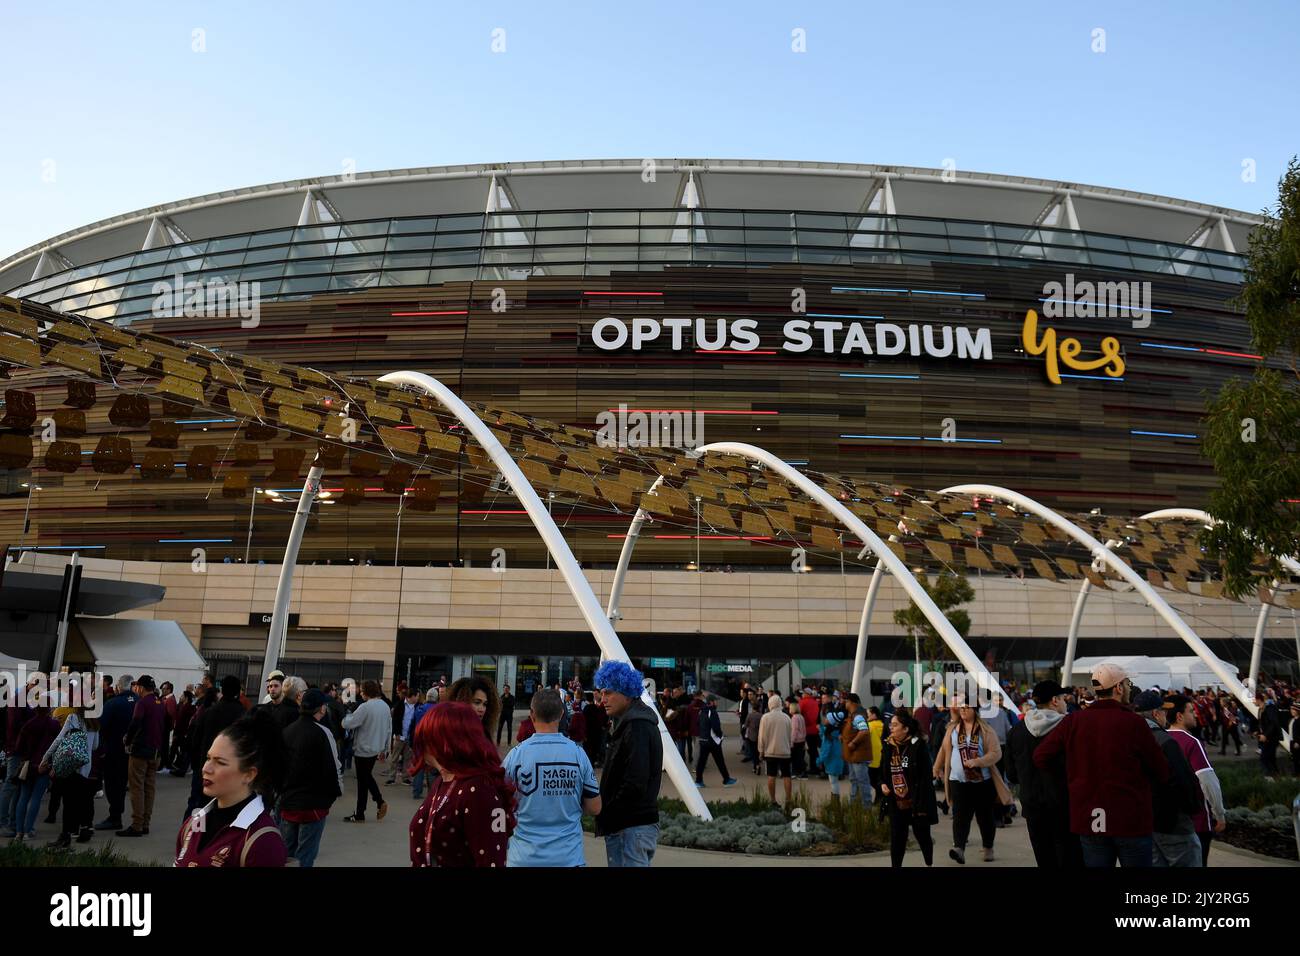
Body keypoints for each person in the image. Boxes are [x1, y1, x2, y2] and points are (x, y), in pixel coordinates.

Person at [1034, 663, 1169, 868]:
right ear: (1118, 688)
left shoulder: (1074, 721)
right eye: (1127, 683)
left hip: (1090, 817)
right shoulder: (1133, 723)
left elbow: (1041, 756)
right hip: (1129, 818)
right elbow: (1161, 769)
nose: (1129, 687)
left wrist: (1075, 775)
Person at [408, 702, 516, 867]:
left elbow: (491, 860)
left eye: (427, 736)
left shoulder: (479, 790)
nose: (422, 743)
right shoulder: (443, 781)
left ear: (445, 741)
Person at [175, 710, 289, 867]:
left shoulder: (262, 840)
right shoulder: (193, 823)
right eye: (208, 758)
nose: (206, 768)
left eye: (220, 762)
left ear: (249, 774)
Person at [502, 689, 600, 866]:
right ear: (562, 714)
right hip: (568, 858)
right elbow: (595, 807)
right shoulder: (578, 754)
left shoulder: (515, 756)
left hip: (524, 858)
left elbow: (499, 803)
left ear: (532, 715)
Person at [593, 660, 662, 867]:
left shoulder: (636, 726)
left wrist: (607, 811)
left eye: (608, 693)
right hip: (629, 825)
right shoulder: (630, 723)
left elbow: (635, 782)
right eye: (601, 693)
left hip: (630, 826)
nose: (602, 699)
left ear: (626, 691)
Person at [1006, 680, 1080, 867]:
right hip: (1065, 805)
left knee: (1044, 858)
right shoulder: (1070, 727)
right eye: (1063, 698)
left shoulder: (1017, 730)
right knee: (1070, 857)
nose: (1065, 702)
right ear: (1055, 700)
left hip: (1032, 806)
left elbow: (1012, 774)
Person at [1132, 690, 1203, 867]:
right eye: (1163, 712)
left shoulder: (1126, 740)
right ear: (1156, 714)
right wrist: (1193, 807)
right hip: (1173, 824)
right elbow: (1182, 781)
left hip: (1144, 822)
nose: (1166, 716)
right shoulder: (1165, 741)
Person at [932, 700, 1009, 863]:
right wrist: (937, 766)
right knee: (960, 815)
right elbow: (944, 749)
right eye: (961, 708)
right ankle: (959, 848)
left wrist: (978, 762)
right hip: (958, 781)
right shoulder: (952, 728)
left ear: (975, 709)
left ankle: (988, 847)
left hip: (982, 782)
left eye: (967, 708)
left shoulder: (986, 730)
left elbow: (996, 753)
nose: (963, 711)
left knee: (985, 816)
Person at [279, 688, 343, 867]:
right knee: (305, 856)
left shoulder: (287, 731)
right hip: (313, 805)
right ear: (321, 709)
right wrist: (334, 794)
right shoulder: (323, 733)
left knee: (287, 853)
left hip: (289, 802)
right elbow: (333, 767)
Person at [1165, 694, 1226, 866]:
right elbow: (1207, 781)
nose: (1195, 715)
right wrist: (1219, 813)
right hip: (1196, 821)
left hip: (1167, 821)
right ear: (1179, 716)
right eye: (1191, 711)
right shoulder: (1191, 742)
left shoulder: (1160, 739)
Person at [879, 710, 936, 867]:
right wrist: (883, 783)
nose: (891, 727)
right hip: (896, 800)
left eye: (895, 725)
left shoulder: (918, 746)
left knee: (922, 835)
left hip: (916, 800)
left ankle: (929, 863)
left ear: (906, 729)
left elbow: (925, 777)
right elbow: (883, 770)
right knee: (898, 837)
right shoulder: (888, 745)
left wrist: (922, 803)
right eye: (891, 724)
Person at [184, 676, 245, 819]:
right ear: (238, 692)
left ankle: (195, 837)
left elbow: (195, 738)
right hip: (231, 770)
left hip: (205, 766)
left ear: (222, 690)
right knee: (227, 808)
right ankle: (220, 838)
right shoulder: (242, 714)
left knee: (199, 805)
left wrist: (197, 764)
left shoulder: (209, 712)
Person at [41, 700, 101, 848]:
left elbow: (59, 739)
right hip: (85, 767)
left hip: (70, 766)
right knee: (83, 799)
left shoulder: (73, 718)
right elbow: (95, 746)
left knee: (68, 802)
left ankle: (65, 836)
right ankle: (84, 829)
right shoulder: (95, 723)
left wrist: (45, 757)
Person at [119, 674, 166, 838]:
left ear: (141, 687)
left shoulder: (142, 703)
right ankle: (145, 823)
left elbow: (135, 723)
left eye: (137, 686)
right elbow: (166, 727)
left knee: (136, 788)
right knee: (149, 788)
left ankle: (137, 825)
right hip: (156, 752)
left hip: (140, 751)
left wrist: (127, 740)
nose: (135, 689)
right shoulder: (160, 703)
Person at [6, 702, 59, 840]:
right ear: (49, 709)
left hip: (28, 765)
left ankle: (19, 831)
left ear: (35, 709)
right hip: (45, 764)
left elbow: (18, 748)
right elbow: (58, 745)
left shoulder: (28, 725)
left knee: (23, 797)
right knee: (36, 798)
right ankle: (28, 830)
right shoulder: (54, 725)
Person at [341, 680, 390, 822]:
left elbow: (350, 723)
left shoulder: (365, 707)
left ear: (366, 692)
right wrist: (386, 748)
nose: (360, 693)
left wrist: (345, 718)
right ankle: (360, 813)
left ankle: (379, 801)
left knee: (364, 779)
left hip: (363, 747)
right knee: (364, 780)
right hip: (376, 747)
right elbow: (388, 728)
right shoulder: (385, 706)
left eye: (362, 691)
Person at [92, 675, 136, 831]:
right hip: (135, 751)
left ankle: (115, 816)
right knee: (128, 785)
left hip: (114, 749)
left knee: (113, 784)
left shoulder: (113, 703)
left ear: (119, 686)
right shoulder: (140, 702)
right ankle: (139, 822)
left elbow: (101, 726)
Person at [758, 693, 793, 808]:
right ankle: (788, 800)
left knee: (771, 775)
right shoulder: (787, 717)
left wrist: (761, 750)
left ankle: (773, 800)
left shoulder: (765, 717)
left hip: (770, 751)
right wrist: (790, 746)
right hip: (785, 751)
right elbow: (790, 735)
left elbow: (762, 736)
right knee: (787, 776)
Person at [694, 694, 736, 787]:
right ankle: (726, 780)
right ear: (711, 702)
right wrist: (720, 736)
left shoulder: (701, 711)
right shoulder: (712, 712)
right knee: (720, 761)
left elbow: (698, 723)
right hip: (713, 741)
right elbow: (716, 727)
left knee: (701, 762)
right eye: (716, 701)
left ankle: (698, 781)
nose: (717, 703)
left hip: (703, 740)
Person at [445, 676, 502, 744]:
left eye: (485, 704)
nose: (482, 709)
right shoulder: (448, 734)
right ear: (462, 702)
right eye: (477, 702)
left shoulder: (485, 735)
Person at [842, 693, 875, 809]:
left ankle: (866, 807)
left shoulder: (858, 716)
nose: (844, 703)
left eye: (846, 701)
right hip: (854, 756)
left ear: (852, 702)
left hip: (858, 756)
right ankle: (855, 805)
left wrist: (853, 743)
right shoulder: (855, 714)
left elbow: (864, 731)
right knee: (855, 781)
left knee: (861, 782)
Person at [386, 688, 419, 786]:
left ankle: (406, 778)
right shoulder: (400, 705)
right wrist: (396, 733)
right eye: (416, 696)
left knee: (408, 758)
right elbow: (395, 720)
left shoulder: (417, 706)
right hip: (400, 735)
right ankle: (391, 777)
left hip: (410, 736)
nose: (417, 698)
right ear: (411, 696)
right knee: (395, 757)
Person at [819, 697, 847, 799]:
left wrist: (819, 760)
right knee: (834, 781)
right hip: (837, 760)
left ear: (831, 722)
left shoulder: (829, 736)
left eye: (827, 718)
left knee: (833, 782)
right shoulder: (837, 733)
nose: (825, 719)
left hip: (831, 761)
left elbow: (826, 750)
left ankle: (835, 802)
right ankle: (835, 801)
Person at [1255, 690, 1283, 776]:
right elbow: (1263, 723)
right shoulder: (1261, 709)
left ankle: (1270, 775)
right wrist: (1258, 732)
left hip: (1272, 737)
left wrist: (1265, 735)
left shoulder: (1269, 708)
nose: (1253, 701)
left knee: (1265, 757)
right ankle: (1276, 775)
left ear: (1259, 700)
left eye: (1254, 699)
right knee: (1270, 758)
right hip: (1267, 737)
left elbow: (1273, 723)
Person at [168, 689, 196, 776]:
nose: (180, 697)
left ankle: (179, 767)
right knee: (177, 749)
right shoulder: (183, 706)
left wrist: (177, 732)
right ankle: (176, 765)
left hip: (182, 732)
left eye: (182, 696)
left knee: (182, 750)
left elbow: (181, 722)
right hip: (181, 732)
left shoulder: (187, 707)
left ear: (186, 698)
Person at [582, 691, 607, 768]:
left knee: (588, 749)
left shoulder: (586, 708)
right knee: (594, 749)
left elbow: (584, 721)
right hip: (596, 732)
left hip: (588, 732)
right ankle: (593, 763)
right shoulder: (596, 708)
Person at [800, 689, 822, 775]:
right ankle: (815, 766)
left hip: (807, 729)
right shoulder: (815, 702)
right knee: (814, 750)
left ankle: (811, 767)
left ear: (806, 694)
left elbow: (798, 712)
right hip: (815, 729)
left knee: (805, 750)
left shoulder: (803, 702)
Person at [866, 706, 886, 800]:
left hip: (872, 757)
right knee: (879, 779)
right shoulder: (882, 724)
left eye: (868, 714)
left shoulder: (869, 726)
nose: (866, 716)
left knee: (872, 780)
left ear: (874, 715)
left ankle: (880, 796)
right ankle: (879, 798)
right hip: (882, 757)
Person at [787, 698, 808, 778]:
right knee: (800, 757)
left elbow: (794, 730)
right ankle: (802, 772)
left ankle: (796, 772)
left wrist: (791, 741)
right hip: (802, 739)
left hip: (796, 740)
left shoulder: (794, 718)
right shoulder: (801, 717)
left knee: (795, 758)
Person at [743, 696, 763, 774]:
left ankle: (755, 766)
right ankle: (758, 764)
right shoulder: (761, 716)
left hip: (751, 736)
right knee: (758, 752)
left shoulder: (750, 715)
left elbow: (745, 725)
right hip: (759, 736)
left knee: (753, 752)